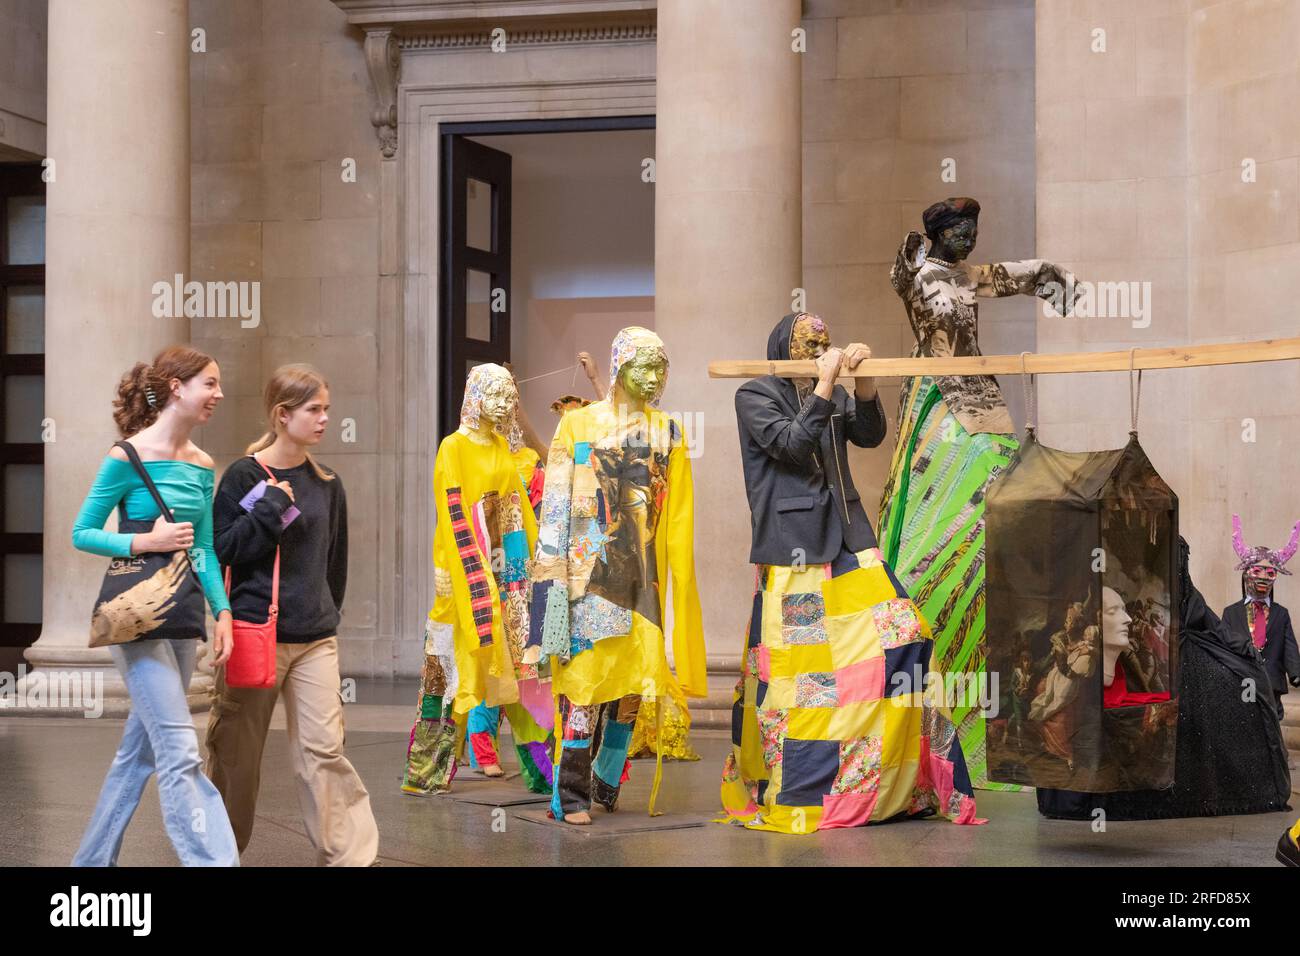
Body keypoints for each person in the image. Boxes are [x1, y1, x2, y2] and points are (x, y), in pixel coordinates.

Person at [719, 312, 982, 833]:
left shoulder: (833, 388)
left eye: (825, 340)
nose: (821, 346)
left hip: (850, 535)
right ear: (783, 346)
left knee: (904, 635)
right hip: (795, 549)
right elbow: (793, 446)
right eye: (808, 341)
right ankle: (811, 787)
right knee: (806, 677)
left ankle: (890, 782)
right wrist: (825, 381)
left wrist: (862, 384)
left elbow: (870, 433)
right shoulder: (755, 394)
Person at [879, 197, 1081, 787]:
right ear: (937, 233)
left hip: (983, 403)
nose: (968, 238)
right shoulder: (918, 270)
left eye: (974, 229)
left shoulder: (970, 275)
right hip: (938, 399)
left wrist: (1052, 278)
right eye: (957, 229)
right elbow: (900, 269)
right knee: (931, 522)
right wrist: (917, 246)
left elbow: (1014, 274)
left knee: (994, 511)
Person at [529, 327, 707, 825]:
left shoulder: (669, 430)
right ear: (619, 365)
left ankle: (607, 784)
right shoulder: (577, 425)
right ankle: (571, 793)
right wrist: (552, 587)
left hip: (642, 578)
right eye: (643, 366)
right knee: (586, 682)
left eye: (661, 367)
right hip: (589, 575)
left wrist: (677, 584)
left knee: (633, 681)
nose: (653, 378)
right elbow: (557, 507)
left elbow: (678, 514)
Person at [204, 364, 379, 866]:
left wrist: (325, 611)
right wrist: (268, 511)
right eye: (314, 409)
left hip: (314, 640)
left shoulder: (327, 483)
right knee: (236, 757)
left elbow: (335, 563)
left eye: (326, 409)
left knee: (325, 751)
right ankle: (216, 853)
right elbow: (222, 550)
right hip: (255, 634)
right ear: (283, 415)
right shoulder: (243, 475)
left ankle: (350, 857)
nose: (325, 419)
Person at [72, 346, 239, 867]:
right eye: (209, 383)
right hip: (137, 620)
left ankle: (89, 866)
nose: (218, 394)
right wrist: (143, 542)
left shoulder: (202, 464)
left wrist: (223, 612)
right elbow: (82, 532)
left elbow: (205, 548)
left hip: (183, 617)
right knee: (180, 751)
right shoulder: (126, 457)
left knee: (137, 755)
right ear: (176, 388)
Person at [1037, 537, 1292, 821]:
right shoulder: (1134, 596)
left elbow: (1208, 623)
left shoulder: (1174, 594)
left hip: (1181, 669)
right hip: (1160, 670)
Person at [402, 363, 554, 795]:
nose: (507, 403)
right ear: (476, 398)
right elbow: (454, 513)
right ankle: (426, 772)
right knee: (448, 673)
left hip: (506, 579)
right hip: (462, 579)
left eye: (511, 395)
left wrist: (529, 578)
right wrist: (475, 578)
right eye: (497, 394)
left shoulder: (503, 449)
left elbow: (515, 512)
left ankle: (542, 774)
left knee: (525, 673)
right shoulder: (453, 447)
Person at [1222, 514, 1300, 721]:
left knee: (1271, 722)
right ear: (1246, 574)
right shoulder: (1231, 613)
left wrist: (1295, 672)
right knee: (1243, 721)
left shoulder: (1280, 613)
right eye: (1257, 571)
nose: (1264, 578)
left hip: (1271, 680)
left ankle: (1273, 754)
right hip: (1240, 678)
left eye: (1270, 573)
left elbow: (1289, 644)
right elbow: (1224, 643)